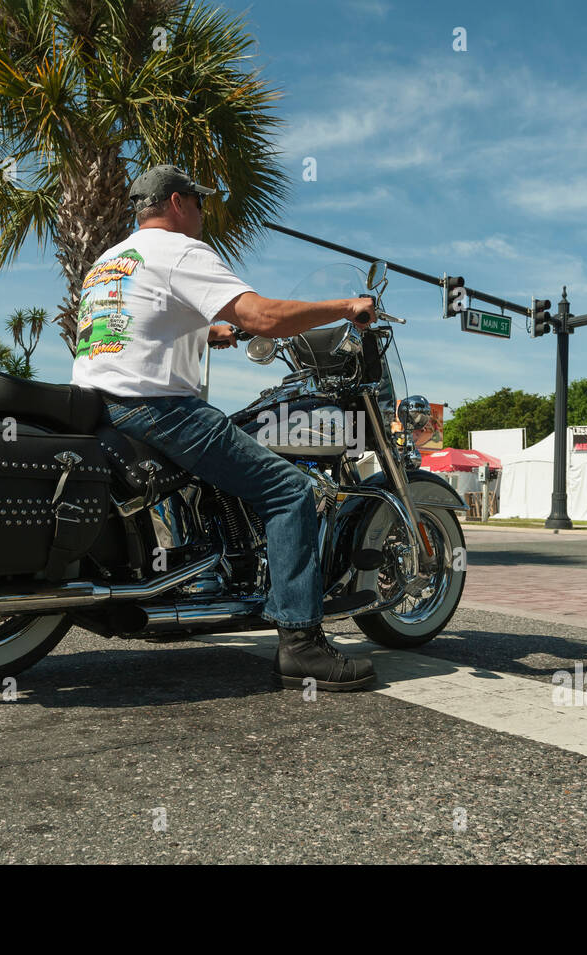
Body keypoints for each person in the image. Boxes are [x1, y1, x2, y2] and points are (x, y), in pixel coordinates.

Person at [70, 164, 379, 691]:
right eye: (198, 201)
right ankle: (301, 643)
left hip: (102, 403)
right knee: (289, 491)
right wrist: (345, 307)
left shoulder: (111, 259)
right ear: (175, 203)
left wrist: (207, 332)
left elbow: (130, 325)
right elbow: (264, 317)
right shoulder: (181, 251)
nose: (202, 212)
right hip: (157, 407)